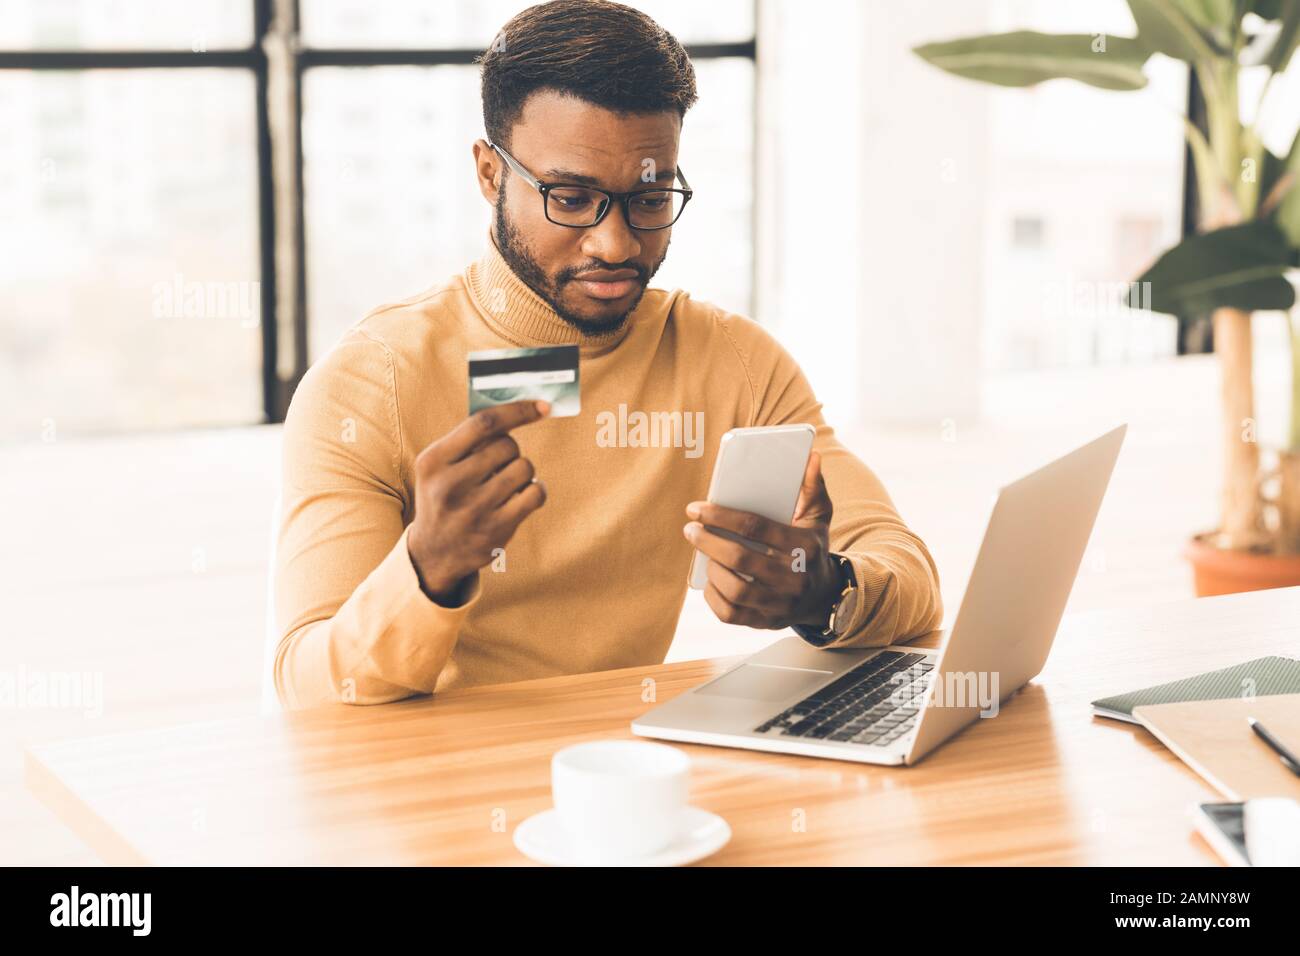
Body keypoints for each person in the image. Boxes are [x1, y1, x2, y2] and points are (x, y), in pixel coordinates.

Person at [273, 0, 942, 708]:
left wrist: (822, 590)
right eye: (570, 197)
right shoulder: (370, 381)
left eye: (650, 199)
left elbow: (910, 579)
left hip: (626, 771)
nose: (616, 244)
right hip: (425, 786)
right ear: (489, 174)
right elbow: (307, 688)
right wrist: (426, 569)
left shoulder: (731, 363)